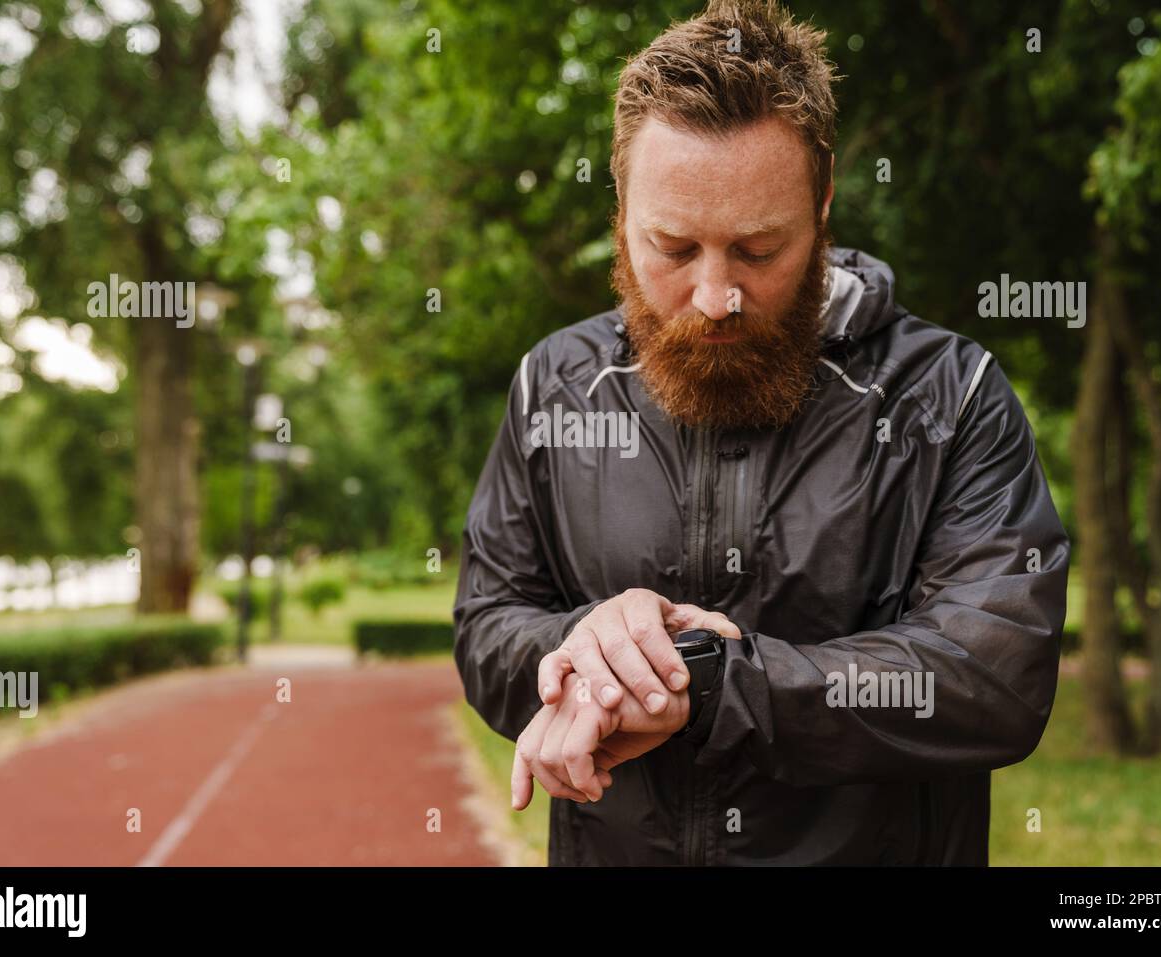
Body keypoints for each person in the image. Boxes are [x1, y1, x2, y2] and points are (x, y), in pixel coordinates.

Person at [453, 0, 1069, 866]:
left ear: (822, 204)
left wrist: (712, 682)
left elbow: (994, 674)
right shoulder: (553, 386)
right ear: (621, 208)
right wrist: (591, 645)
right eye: (671, 246)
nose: (716, 297)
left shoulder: (952, 394)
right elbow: (487, 622)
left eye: (758, 249)